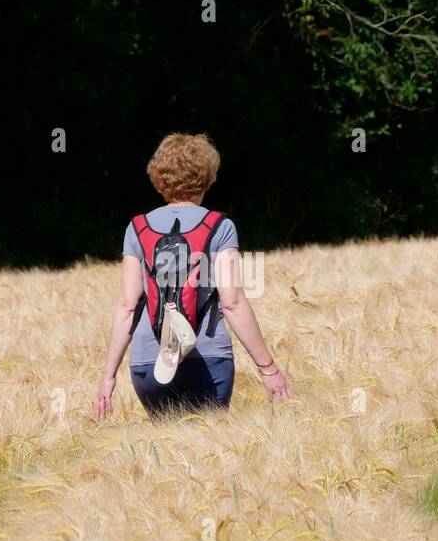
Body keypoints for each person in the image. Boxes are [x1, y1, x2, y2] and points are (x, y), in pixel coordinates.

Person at [93, 132, 293, 419]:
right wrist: (268, 369)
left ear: (159, 177)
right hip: (207, 360)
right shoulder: (220, 226)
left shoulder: (136, 228)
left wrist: (108, 377)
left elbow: (127, 306)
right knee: (203, 455)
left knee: (169, 456)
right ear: (207, 176)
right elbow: (233, 303)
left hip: (150, 363)